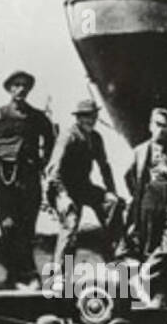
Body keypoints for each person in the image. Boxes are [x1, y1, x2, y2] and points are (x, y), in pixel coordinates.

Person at [0, 70, 56, 289]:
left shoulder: (38, 117)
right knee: (8, 226)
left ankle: (26, 276)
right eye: (16, 85)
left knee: (27, 229)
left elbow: (51, 139)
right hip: (5, 179)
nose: (21, 89)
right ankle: (12, 272)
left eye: (25, 86)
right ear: (9, 89)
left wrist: (43, 161)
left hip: (29, 179)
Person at [45, 100, 119, 282]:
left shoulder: (95, 138)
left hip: (83, 186)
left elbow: (105, 167)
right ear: (78, 118)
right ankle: (58, 275)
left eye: (93, 116)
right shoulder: (68, 136)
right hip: (62, 187)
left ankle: (115, 261)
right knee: (70, 223)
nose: (90, 120)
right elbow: (53, 171)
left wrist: (112, 191)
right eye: (86, 116)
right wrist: (62, 196)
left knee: (113, 205)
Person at [123, 107, 167, 305]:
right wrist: (140, 198)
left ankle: (145, 275)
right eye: (158, 125)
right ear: (151, 126)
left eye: (166, 127)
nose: (162, 130)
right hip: (149, 199)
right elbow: (129, 176)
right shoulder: (141, 151)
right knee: (148, 244)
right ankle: (149, 294)